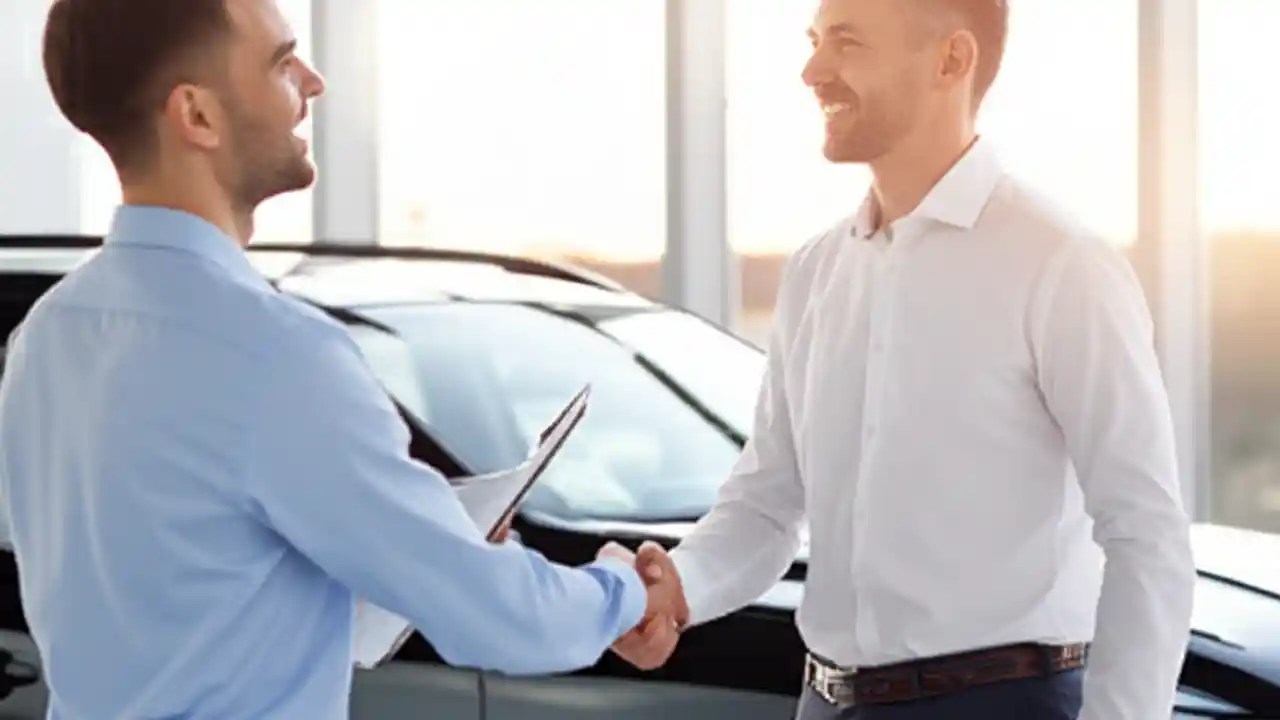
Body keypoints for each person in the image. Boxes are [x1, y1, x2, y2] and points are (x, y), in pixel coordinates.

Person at [0, 0, 681, 717]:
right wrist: (624, 587)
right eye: (280, 61)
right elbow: (505, 618)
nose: (314, 81)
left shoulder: (44, 338)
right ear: (196, 116)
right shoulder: (275, 353)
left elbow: (179, 583)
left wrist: (404, 524)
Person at [610, 0, 1197, 718]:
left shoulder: (1060, 264)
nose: (812, 71)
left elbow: (1146, 535)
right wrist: (680, 589)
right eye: (815, 41)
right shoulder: (817, 271)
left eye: (847, 44)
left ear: (952, 60)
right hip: (825, 701)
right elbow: (767, 502)